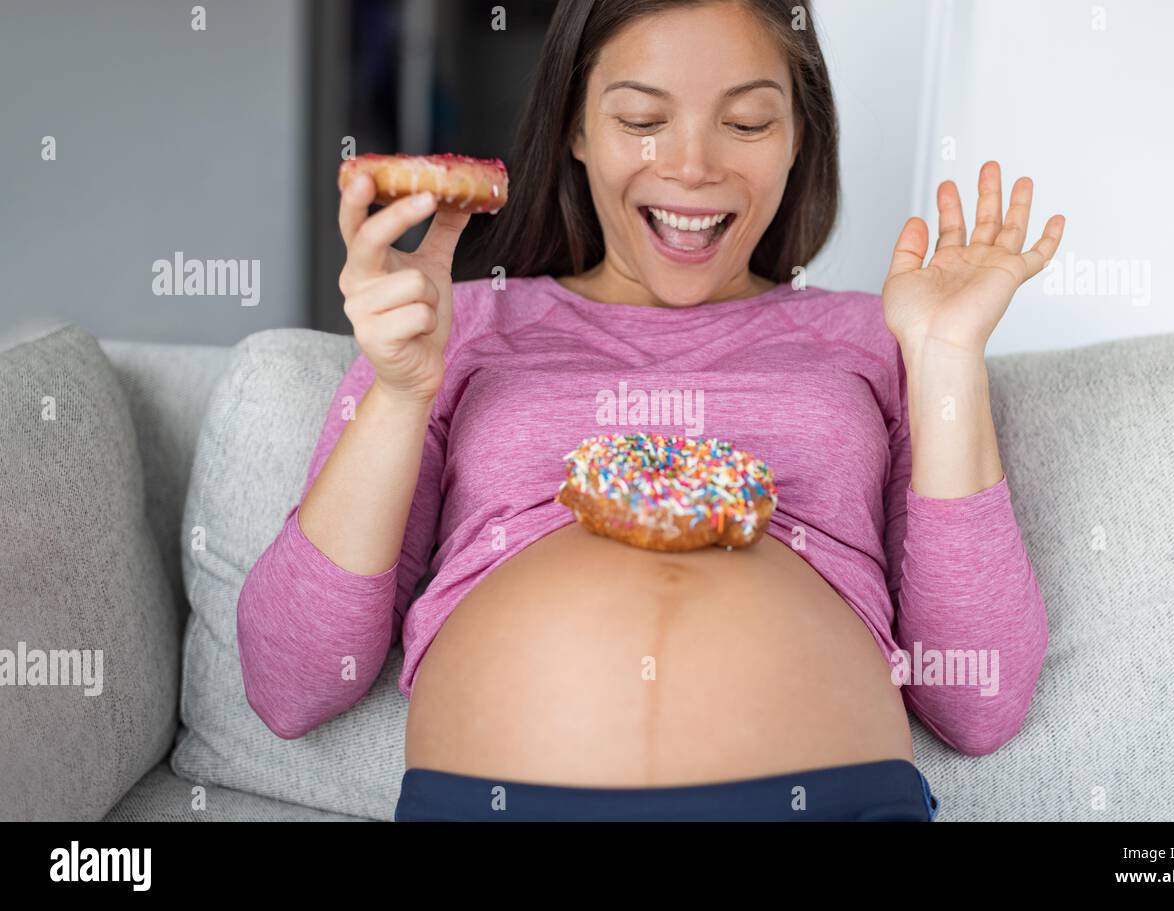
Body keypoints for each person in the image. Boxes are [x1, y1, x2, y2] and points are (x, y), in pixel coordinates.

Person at [237, 0, 1059, 822]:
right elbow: (291, 684)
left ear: (798, 135)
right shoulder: (456, 324)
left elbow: (976, 701)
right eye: (641, 117)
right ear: (576, 127)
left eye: (744, 121)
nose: (693, 165)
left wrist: (949, 360)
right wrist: (401, 390)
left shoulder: (881, 338)